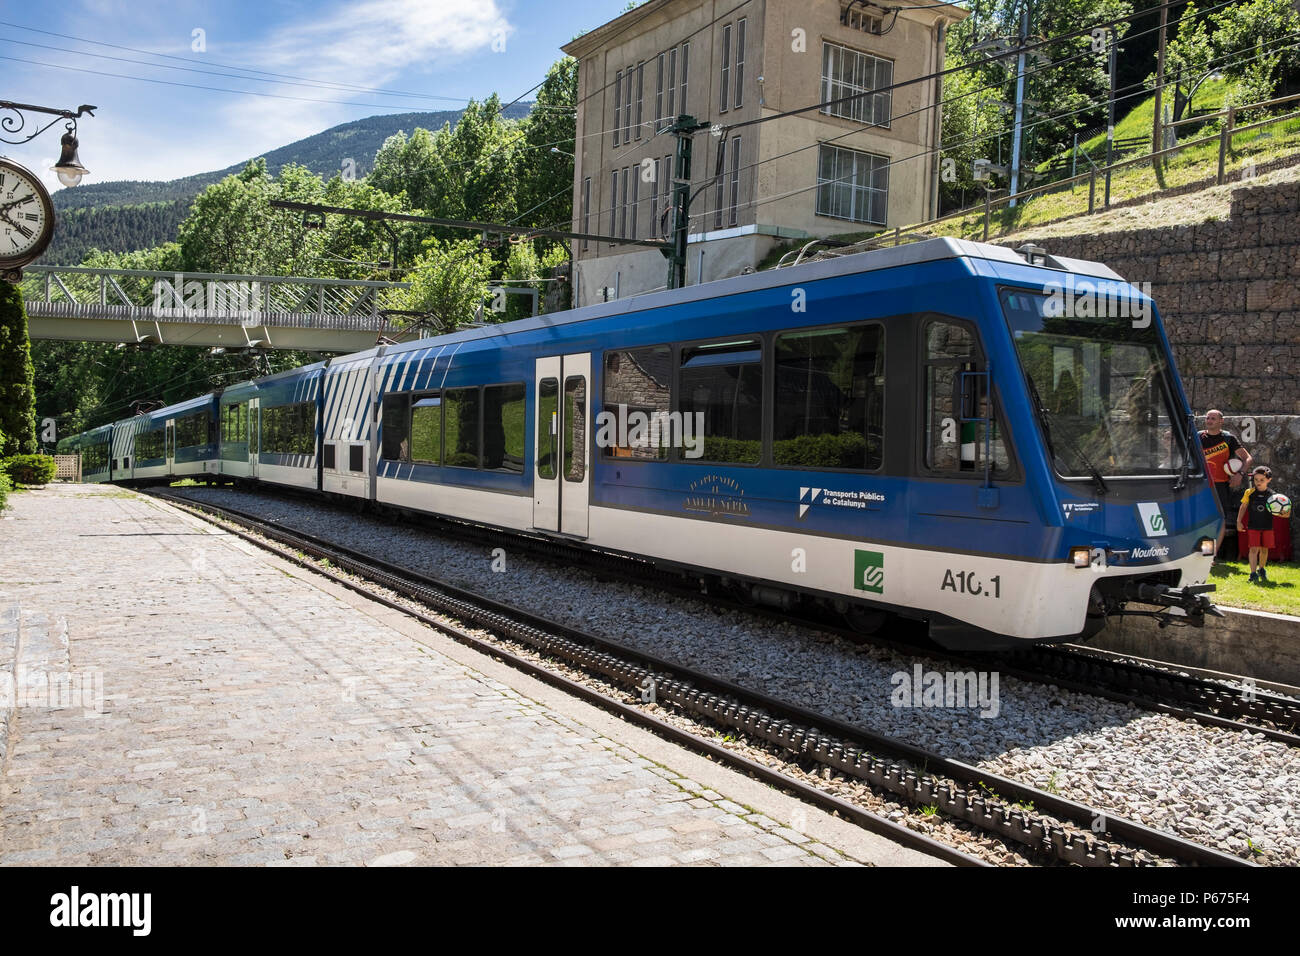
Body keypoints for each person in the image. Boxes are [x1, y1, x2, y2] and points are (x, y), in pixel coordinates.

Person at [1199, 410, 1252, 557]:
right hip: (1200, 484)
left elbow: (1247, 458)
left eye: (1213, 418)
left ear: (1221, 421)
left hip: (1220, 485)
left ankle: (1211, 554)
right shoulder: (1198, 437)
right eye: (1207, 418)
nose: (1209, 420)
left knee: (1218, 520)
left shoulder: (1229, 438)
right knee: (1202, 519)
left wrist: (1240, 475)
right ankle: (1202, 551)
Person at [1237, 465, 1278, 583]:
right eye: (1256, 480)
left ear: (1269, 480)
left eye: (1262, 480)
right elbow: (1243, 506)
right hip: (1253, 526)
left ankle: (1262, 569)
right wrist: (1238, 521)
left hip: (1267, 526)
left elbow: (1278, 511)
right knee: (1254, 549)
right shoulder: (1249, 492)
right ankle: (1253, 573)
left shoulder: (1272, 495)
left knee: (1264, 550)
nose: (1258, 482)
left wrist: (1284, 512)